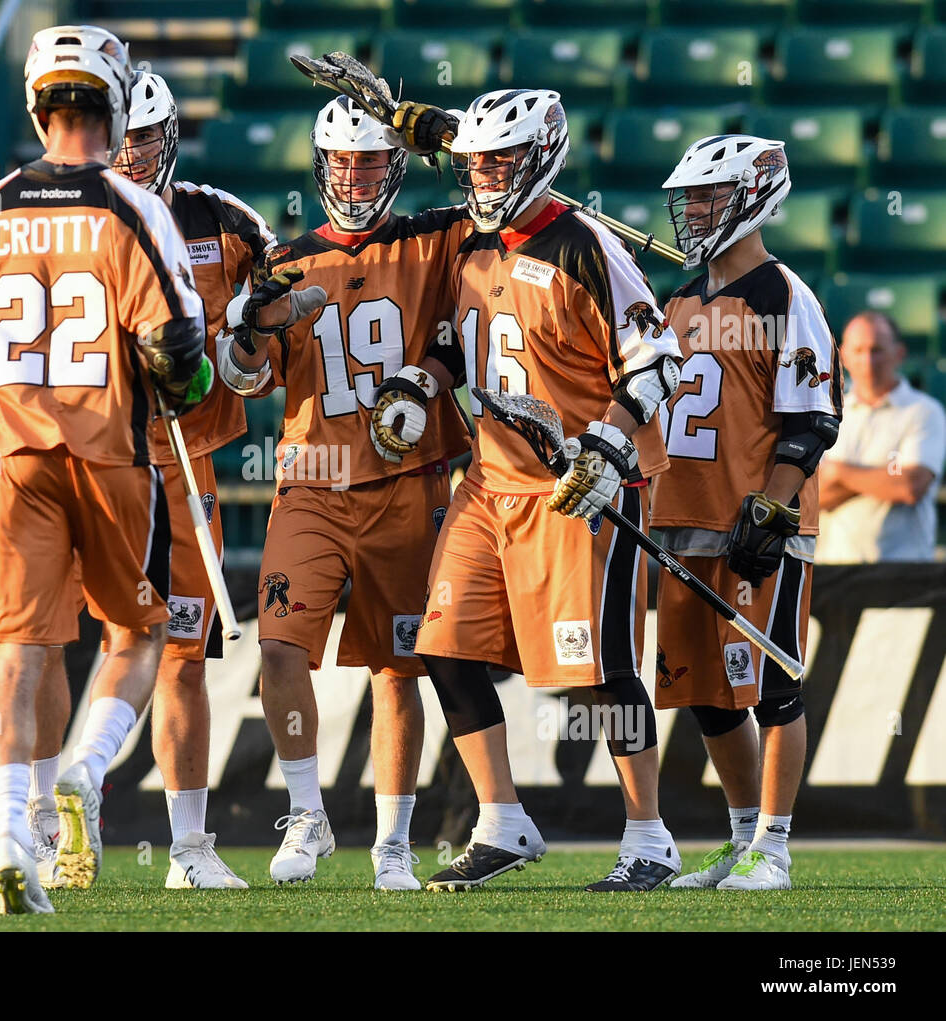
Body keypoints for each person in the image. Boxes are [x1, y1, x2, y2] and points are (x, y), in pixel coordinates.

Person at [0, 25, 211, 914]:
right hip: (112, 455)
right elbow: (176, 345)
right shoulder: (131, 206)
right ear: (112, 107)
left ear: (39, 106)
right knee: (137, 636)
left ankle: (8, 838)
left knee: (16, 657)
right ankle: (84, 764)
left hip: (11, 458)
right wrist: (179, 384)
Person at [375, 88, 685, 891]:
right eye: (477, 161)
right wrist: (419, 383)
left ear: (544, 155)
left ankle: (649, 837)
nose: (485, 176)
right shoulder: (471, 243)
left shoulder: (587, 248)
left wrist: (610, 447)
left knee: (601, 670)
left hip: (579, 485)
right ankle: (502, 819)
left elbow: (657, 363)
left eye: (502, 160)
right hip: (490, 483)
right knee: (441, 646)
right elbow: (457, 339)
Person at [222, 96, 471, 889]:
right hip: (313, 480)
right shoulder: (285, 257)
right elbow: (244, 377)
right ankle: (307, 812)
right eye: (342, 162)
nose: (354, 176)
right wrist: (254, 324)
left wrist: (452, 132)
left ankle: (392, 840)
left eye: (369, 161)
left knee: (399, 668)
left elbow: (511, 191)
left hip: (409, 480)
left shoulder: (437, 235)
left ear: (396, 165)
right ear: (321, 166)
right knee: (278, 646)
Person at [649, 136, 842, 890]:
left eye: (707, 196)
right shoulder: (680, 298)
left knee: (770, 687)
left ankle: (776, 846)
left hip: (755, 526)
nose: (693, 212)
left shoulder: (780, 293)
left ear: (754, 195)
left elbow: (812, 417)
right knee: (704, 693)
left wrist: (775, 508)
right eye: (689, 199)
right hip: (682, 523)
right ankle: (739, 838)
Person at [110, 70, 277, 889]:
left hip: (186, 464)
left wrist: (238, 349)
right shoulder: (73, 218)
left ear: (170, 135)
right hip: (89, 462)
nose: (132, 152)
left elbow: (257, 369)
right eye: (122, 135)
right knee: (36, 645)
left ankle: (187, 847)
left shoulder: (227, 223)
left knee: (181, 653)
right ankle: (25, 827)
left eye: (145, 136)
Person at [816, 310, 944, 563]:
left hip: (902, 572)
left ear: (899, 353)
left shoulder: (924, 411)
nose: (868, 360)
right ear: (843, 355)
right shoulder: (826, 413)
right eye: (859, 350)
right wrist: (882, 478)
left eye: (877, 350)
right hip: (833, 569)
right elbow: (811, 497)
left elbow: (908, 486)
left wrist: (837, 473)